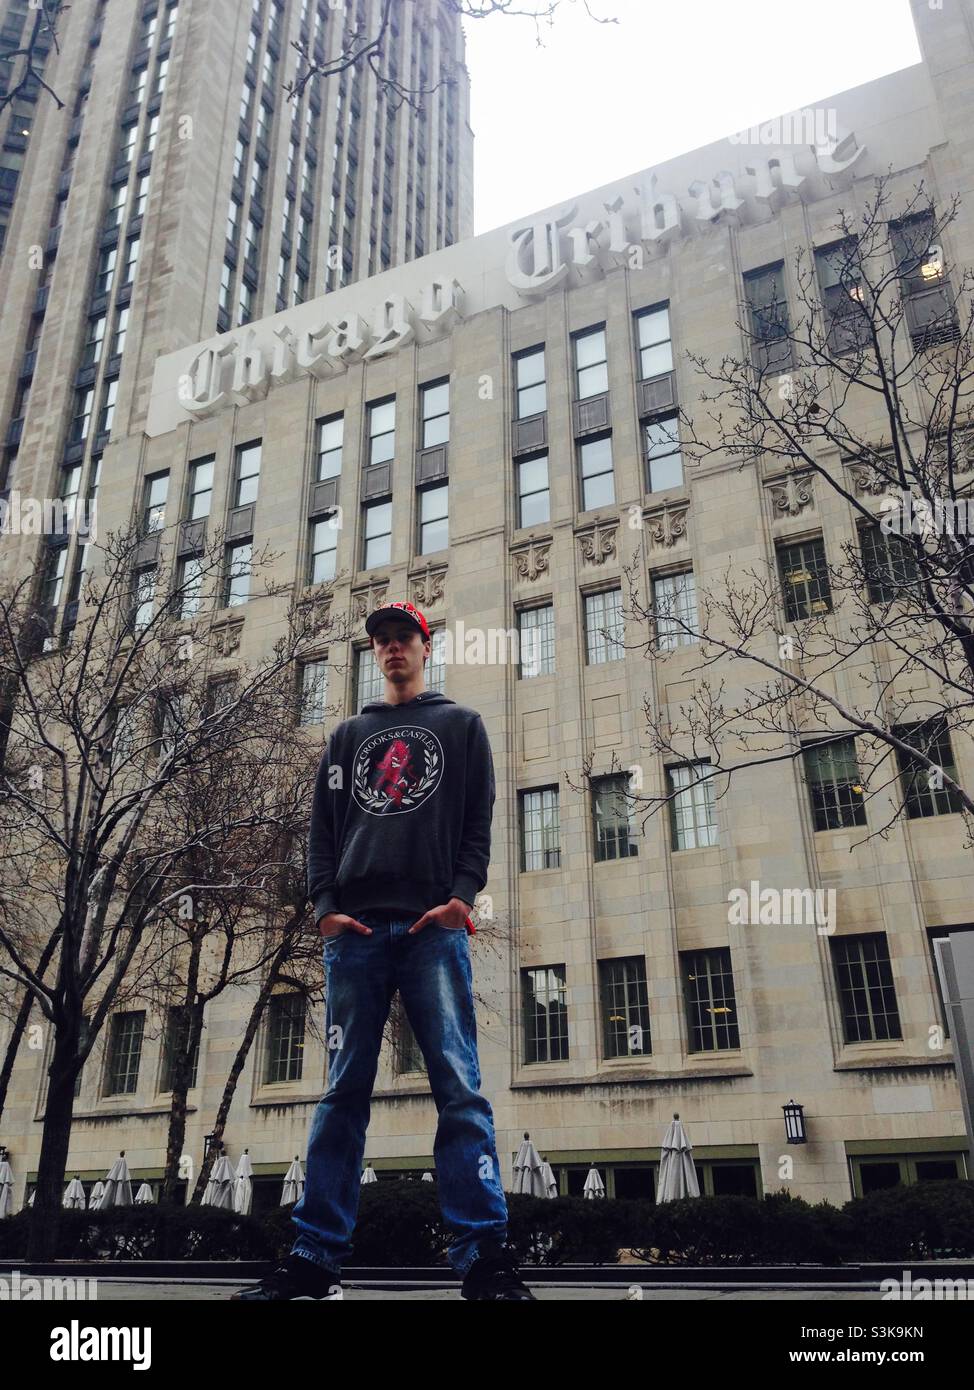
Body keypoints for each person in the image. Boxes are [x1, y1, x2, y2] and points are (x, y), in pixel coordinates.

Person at [233, 600, 535, 1301]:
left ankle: (485, 1259)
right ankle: (311, 1260)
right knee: (342, 1095)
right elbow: (322, 833)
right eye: (382, 641)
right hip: (358, 936)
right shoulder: (347, 738)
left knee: (459, 1089)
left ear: (426, 647)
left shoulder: (460, 727)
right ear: (375, 654)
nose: (393, 649)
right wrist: (326, 910)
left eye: (404, 638)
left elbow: (478, 820)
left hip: (432, 930)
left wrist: (462, 896)